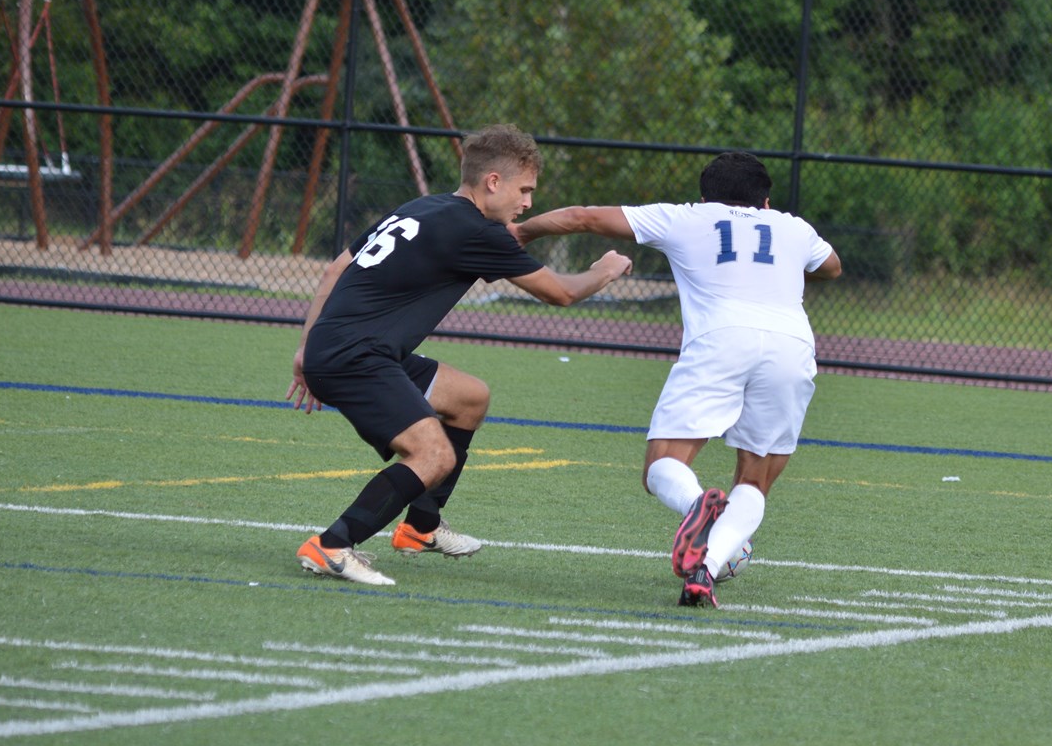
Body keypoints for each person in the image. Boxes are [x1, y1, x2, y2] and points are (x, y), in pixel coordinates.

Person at [288, 124, 633, 585]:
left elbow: (336, 269)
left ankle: (420, 526)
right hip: (357, 356)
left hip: (341, 346)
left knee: (469, 397)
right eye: (524, 189)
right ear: (493, 182)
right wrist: (605, 270)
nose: (527, 201)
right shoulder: (475, 232)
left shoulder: (424, 207)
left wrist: (306, 348)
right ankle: (333, 544)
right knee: (433, 455)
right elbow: (562, 294)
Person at [515, 150, 841, 607]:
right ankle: (703, 571)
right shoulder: (794, 226)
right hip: (792, 346)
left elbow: (582, 217)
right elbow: (831, 266)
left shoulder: (683, 218)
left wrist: (522, 230)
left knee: (661, 466)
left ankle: (696, 508)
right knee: (755, 479)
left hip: (722, 339)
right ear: (765, 201)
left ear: (704, 195)